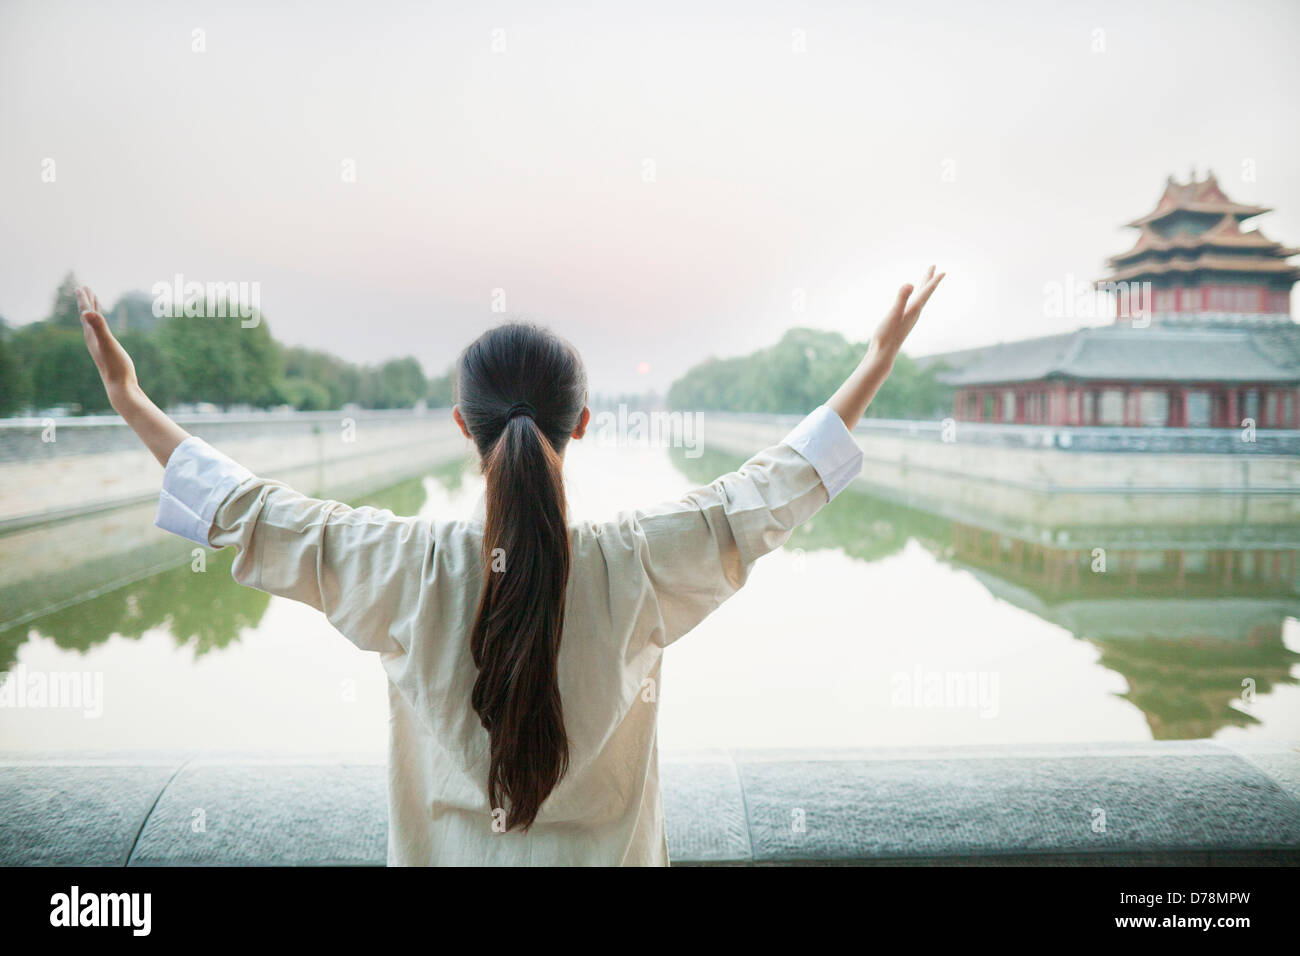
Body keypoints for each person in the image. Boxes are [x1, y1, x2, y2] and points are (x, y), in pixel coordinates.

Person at [74, 268, 944, 865]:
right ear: (584, 423)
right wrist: (873, 364)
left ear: (463, 426)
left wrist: (130, 400)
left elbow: (251, 512)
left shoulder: (406, 567)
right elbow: (768, 494)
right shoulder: (636, 562)